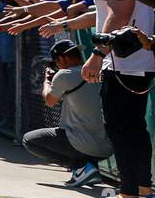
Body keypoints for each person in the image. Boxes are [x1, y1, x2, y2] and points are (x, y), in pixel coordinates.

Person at [80, 0, 155, 198]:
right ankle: (144, 193)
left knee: (121, 130)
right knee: (135, 129)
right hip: (140, 62)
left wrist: (97, 54)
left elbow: (119, 13)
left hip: (123, 62)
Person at [22, 39, 110, 188]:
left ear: (62, 59)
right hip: (106, 147)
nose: (57, 66)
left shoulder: (63, 75)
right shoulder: (97, 72)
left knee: (28, 140)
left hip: (80, 143)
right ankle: (88, 168)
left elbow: (50, 101)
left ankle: (82, 168)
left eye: (57, 62)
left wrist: (47, 81)